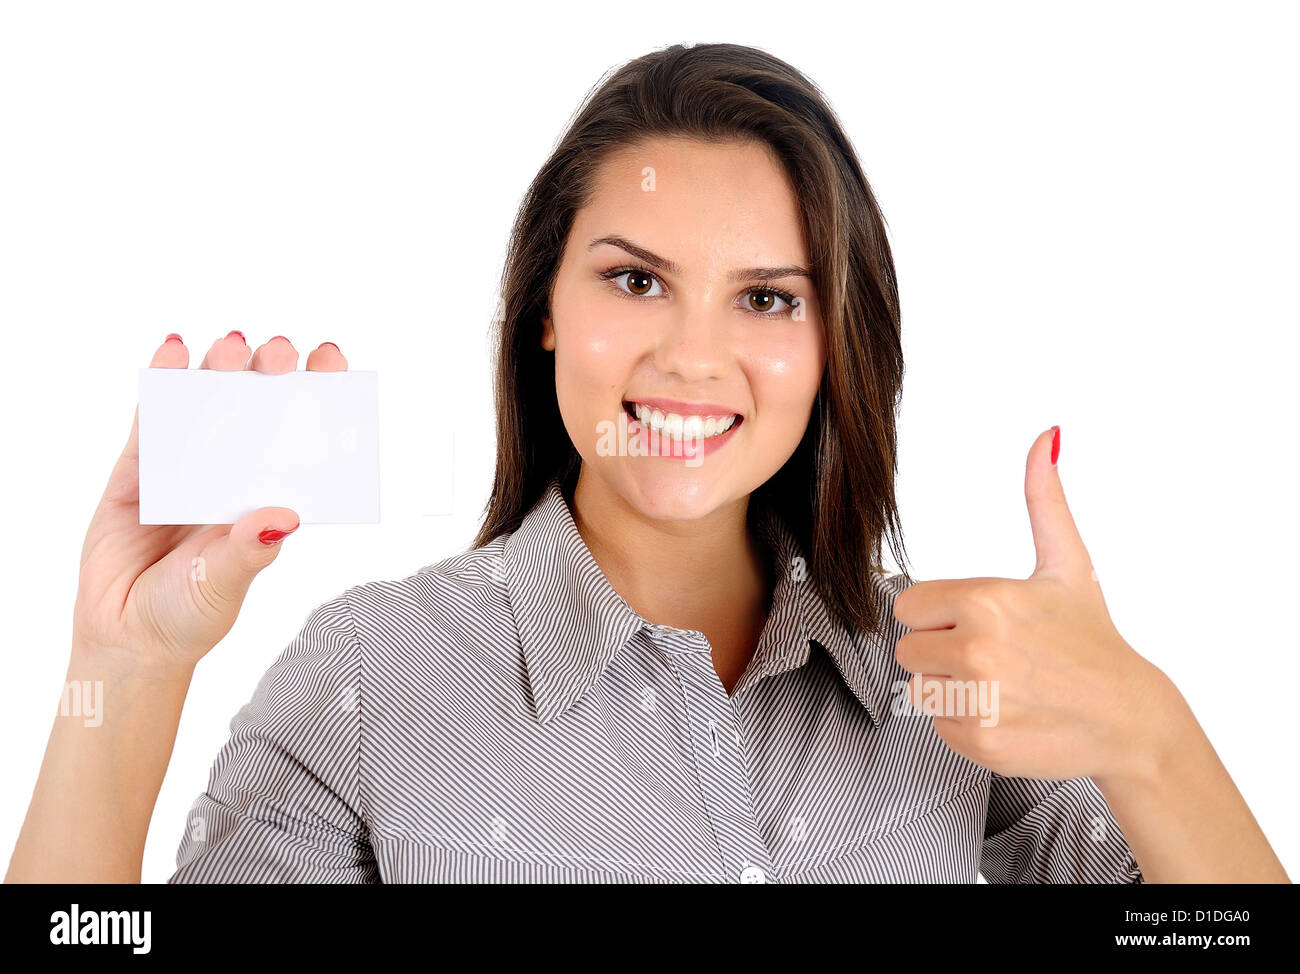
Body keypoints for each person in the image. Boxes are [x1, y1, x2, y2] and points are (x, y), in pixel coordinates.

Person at [6, 43, 1288, 884]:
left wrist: (1149, 730)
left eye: (767, 300)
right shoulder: (369, 680)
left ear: (836, 344)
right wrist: (119, 671)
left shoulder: (962, 691)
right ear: (545, 310)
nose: (692, 356)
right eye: (634, 278)